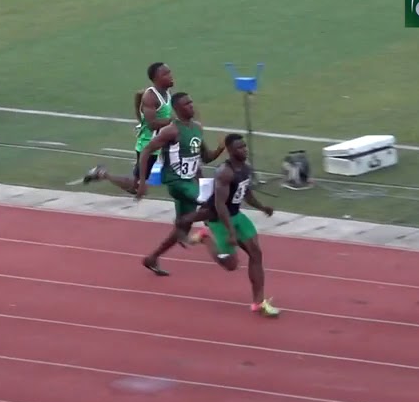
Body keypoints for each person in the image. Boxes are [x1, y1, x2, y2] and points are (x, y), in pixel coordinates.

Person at [132, 92, 225, 275]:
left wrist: (221, 148)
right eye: (186, 104)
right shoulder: (171, 130)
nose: (191, 106)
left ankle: (153, 257)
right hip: (176, 181)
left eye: (191, 102)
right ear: (177, 109)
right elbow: (146, 151)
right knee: (210, 202)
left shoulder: (197, 128)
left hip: (189, 181)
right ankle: (224, 243)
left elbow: (205, 158)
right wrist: (143, 182)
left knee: (184, 227)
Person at [190, 134, 280, 317]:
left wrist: (262, 207)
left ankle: (258, 302)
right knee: (231, 265)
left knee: (256, 253)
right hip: (221, 219)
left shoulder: (246, 169)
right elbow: (219, 205)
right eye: (239, 148)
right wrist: (230, 231)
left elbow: (245, 193)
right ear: (230, 151)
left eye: (244, 146)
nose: (244, 150)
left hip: (237, 216)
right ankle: (205, 237)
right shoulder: (224, 172)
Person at [80, 61, 176, 194]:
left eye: (169, 72)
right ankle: (102, 173)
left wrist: (139, 117)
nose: (171, 76)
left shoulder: (164, 91)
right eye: (166, 74)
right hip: (148, 145)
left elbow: (138, 94)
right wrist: (173, 122)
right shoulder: (151, 96)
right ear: (156, 79)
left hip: (160, 143)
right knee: (136, 187)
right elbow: (152, 124)